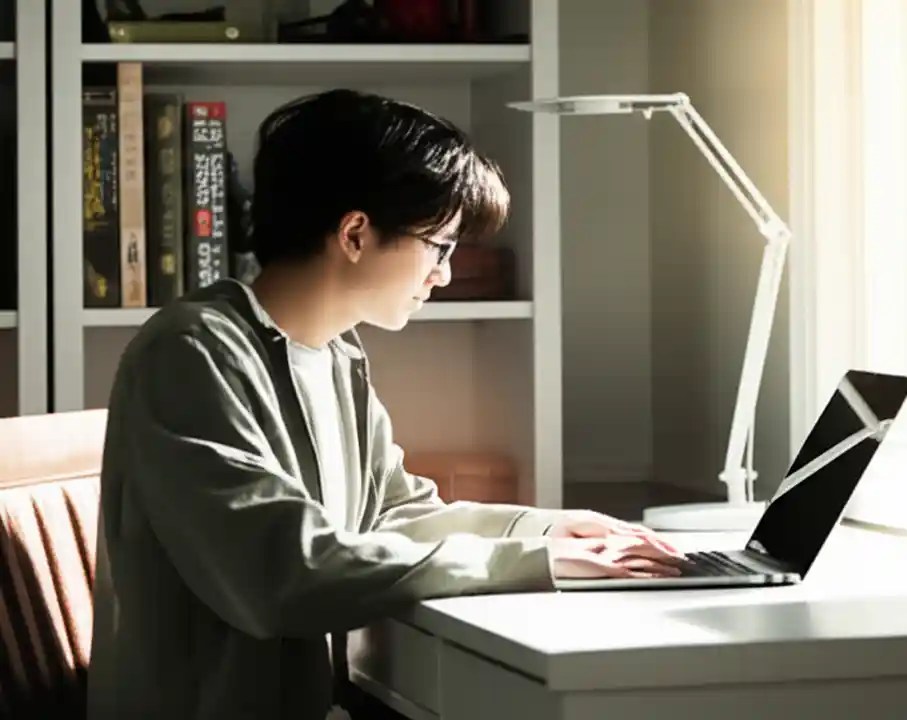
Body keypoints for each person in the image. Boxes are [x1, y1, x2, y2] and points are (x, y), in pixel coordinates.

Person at [86, 88, 684, 720]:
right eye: (440, 246)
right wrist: (532, 561)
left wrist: (544, 530)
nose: (445, 275)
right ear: (354, 233)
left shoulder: (336, 354)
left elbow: (392, 514)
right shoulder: (193, 352)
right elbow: (285, 572)